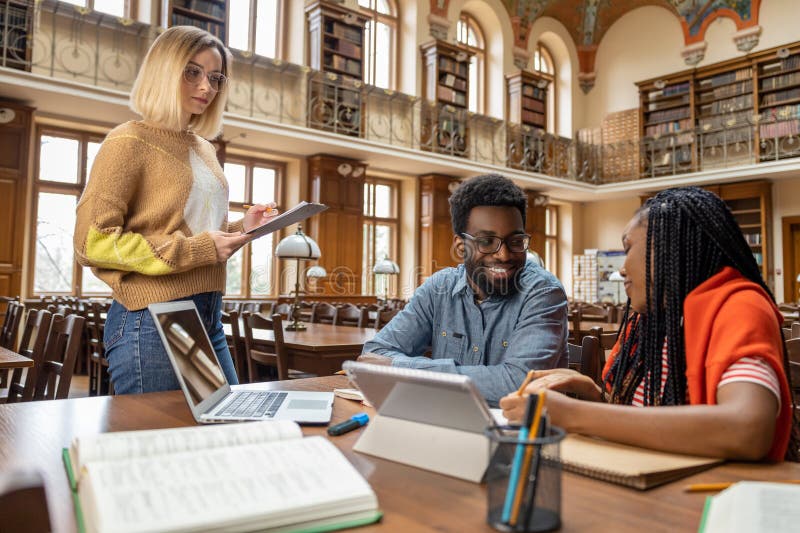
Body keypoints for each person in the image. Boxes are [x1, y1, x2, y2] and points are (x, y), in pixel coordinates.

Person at [500, 187, 800, 461]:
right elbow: (651, 416)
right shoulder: (649, 322)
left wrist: (574, 414)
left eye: (628, 247)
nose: (621, 266)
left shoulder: (738, 305)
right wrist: (596, 396)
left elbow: (747, 430)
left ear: (669, 248)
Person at [74, 26, 276, 394]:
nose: (206, 87)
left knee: (222, 432)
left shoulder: (204, 149)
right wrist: (203, 248)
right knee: (156, 446)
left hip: (209, 314)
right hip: (151, 319)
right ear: (163, 70)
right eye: (192, 72)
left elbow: (193, 233)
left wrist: (239, 227)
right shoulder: (128, 140)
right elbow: (93, 243)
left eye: (215, 78)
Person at [360, 174, 568, 406]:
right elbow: (376, 354)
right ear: (461, 247)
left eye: (516, 241)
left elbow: (520, 383)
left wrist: (402, 368)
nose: (504, 254)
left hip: (518, 434)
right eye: (486, 242)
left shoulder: (543, 292)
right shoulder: (438, 288)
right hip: (445, 421)